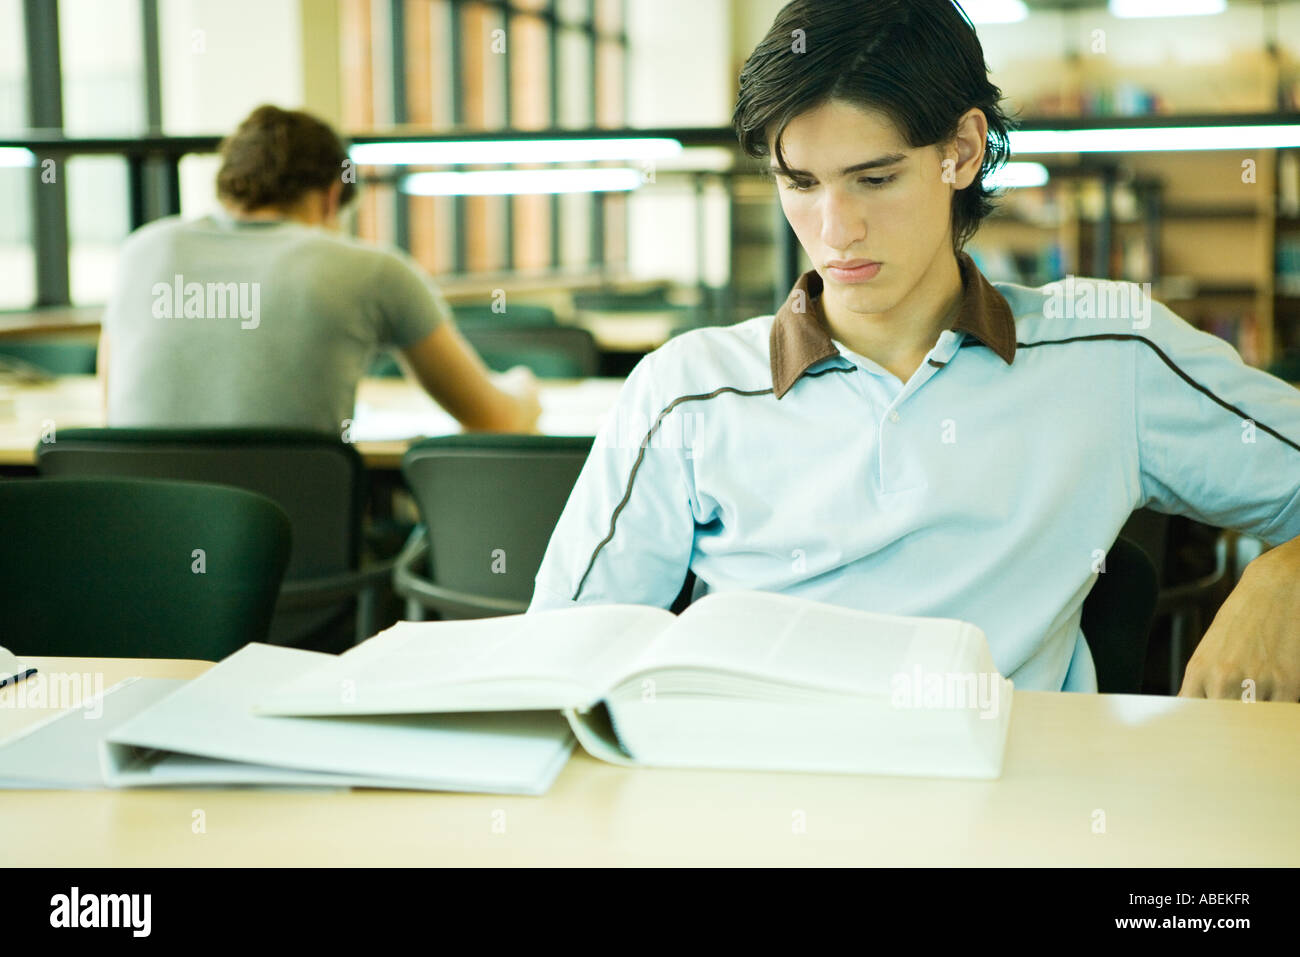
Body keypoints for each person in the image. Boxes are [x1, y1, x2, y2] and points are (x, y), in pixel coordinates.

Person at [527, 0, 1300, 700]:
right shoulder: (685, 392)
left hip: (1005, 814)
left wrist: (1283, 574)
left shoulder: (1109, 354)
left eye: (874, 178)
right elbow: (557, 656)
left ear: (960, 151)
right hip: (757, 812)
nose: (835, 229)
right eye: (800, 182)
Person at [99, 104, 541, 436]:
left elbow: (111, 412)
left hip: (139, 548)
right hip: (291, 548)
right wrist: (524, 391)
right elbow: (495, 421)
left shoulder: (141, 251)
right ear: (332, 197)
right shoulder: (373, 270)